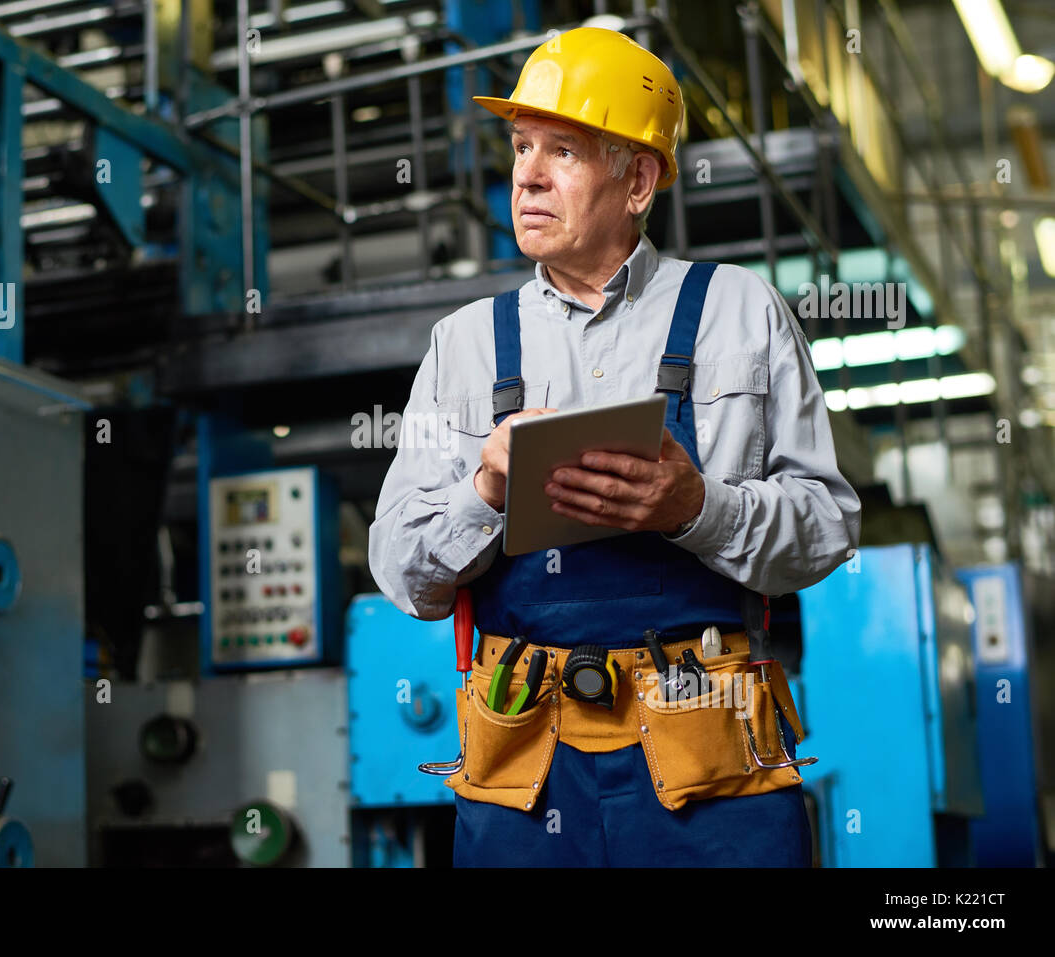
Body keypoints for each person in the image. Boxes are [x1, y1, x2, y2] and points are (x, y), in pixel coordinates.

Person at [367, 26, 861, 867]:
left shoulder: (740, 312)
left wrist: (699, 508)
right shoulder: (463, 344)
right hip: (525, 771)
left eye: (563, 150)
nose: (525, 173)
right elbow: (400, 570)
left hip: (711, 772)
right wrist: (483, 491)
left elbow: (826, 527)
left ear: (639, 179)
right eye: (522, 145)